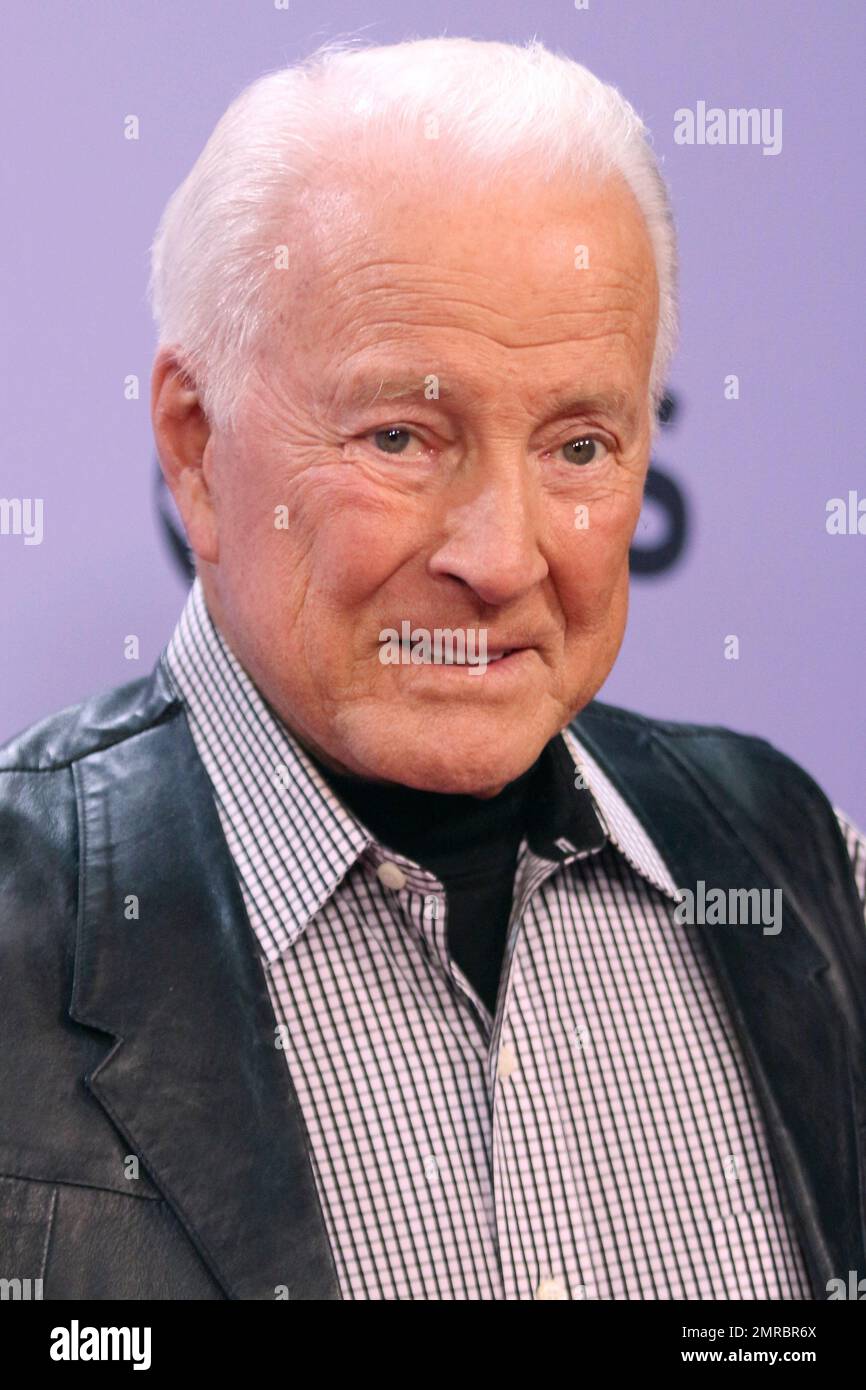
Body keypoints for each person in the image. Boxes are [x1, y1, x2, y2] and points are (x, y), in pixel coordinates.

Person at [1, 36, 864, 1301]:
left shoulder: (801, 864)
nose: (500, 556)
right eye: (401, 435)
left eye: (578, 445)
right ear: (195, 447)